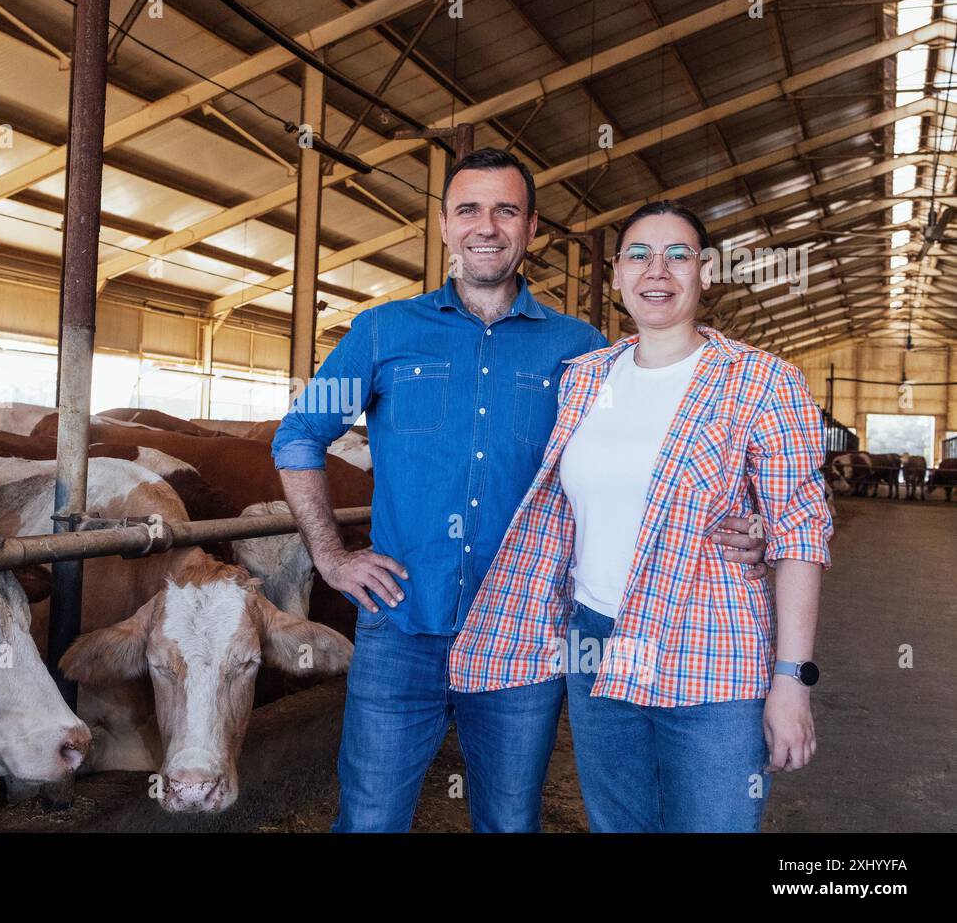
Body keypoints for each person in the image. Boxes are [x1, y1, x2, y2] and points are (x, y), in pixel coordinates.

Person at [272, 151, 768, 832]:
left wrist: (751, 518)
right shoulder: (382, 332)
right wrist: (330, 556)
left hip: (525, 640)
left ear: (531, 226)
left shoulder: (582, 351)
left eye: (506, 209)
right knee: (368, 820)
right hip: (402, 629)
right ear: (444, 224)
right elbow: (299, 433)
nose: (487, 225)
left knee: (509, 821)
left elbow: (656, 455)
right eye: (469, 208)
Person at [450, 200, 831, 832]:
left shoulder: (762, 382)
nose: (659, 270)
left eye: (678, 255)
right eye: (639, 255)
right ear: (618, 277)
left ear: (705, 272)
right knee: (618, 822)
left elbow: (801, 530)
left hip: (714, 646)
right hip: (594, 637)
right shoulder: (583, 378)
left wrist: (792, 681)